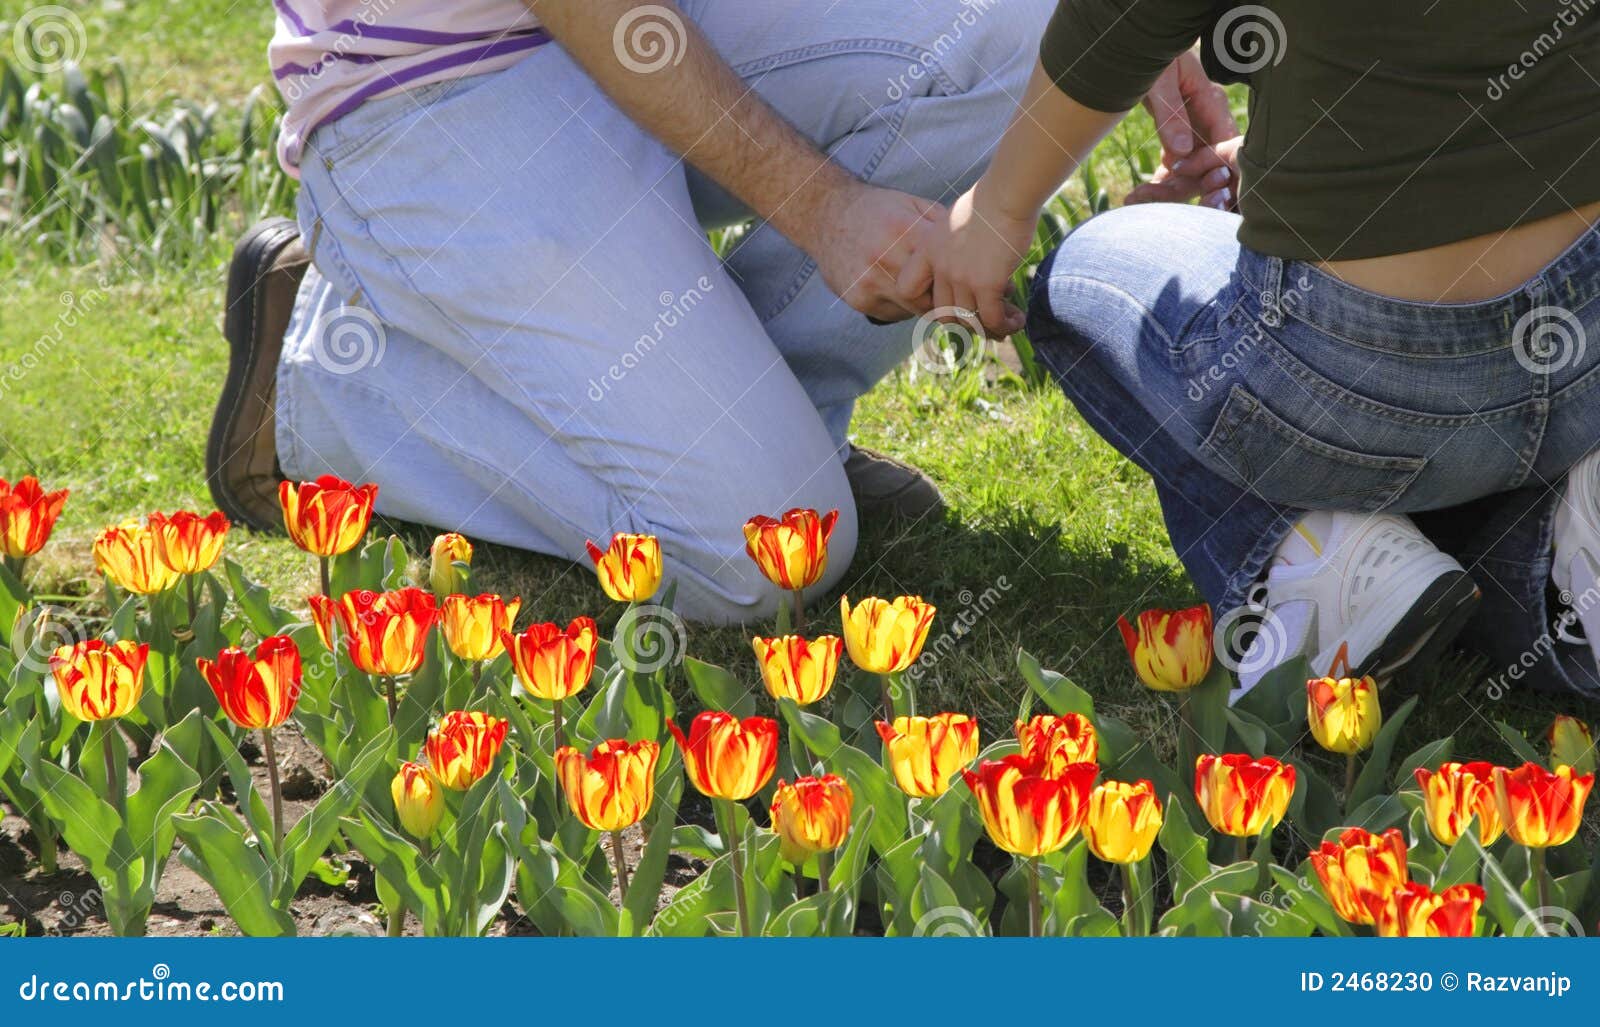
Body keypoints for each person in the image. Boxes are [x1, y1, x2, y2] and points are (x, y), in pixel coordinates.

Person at [209, 0, 1231, 623]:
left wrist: (1117, 19)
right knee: (757, 554)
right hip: (438, 83)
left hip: (681, 14)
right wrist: (826, 210)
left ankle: (778, 423)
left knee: (1032, 28)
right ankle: (329, 388)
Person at [908, 1, 1600, 698]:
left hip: (1359, 391)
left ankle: (1326, 558)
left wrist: (997, 211)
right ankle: (1568, 530)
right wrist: (1298, 169)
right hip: (1587, 355)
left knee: (1086, 278)